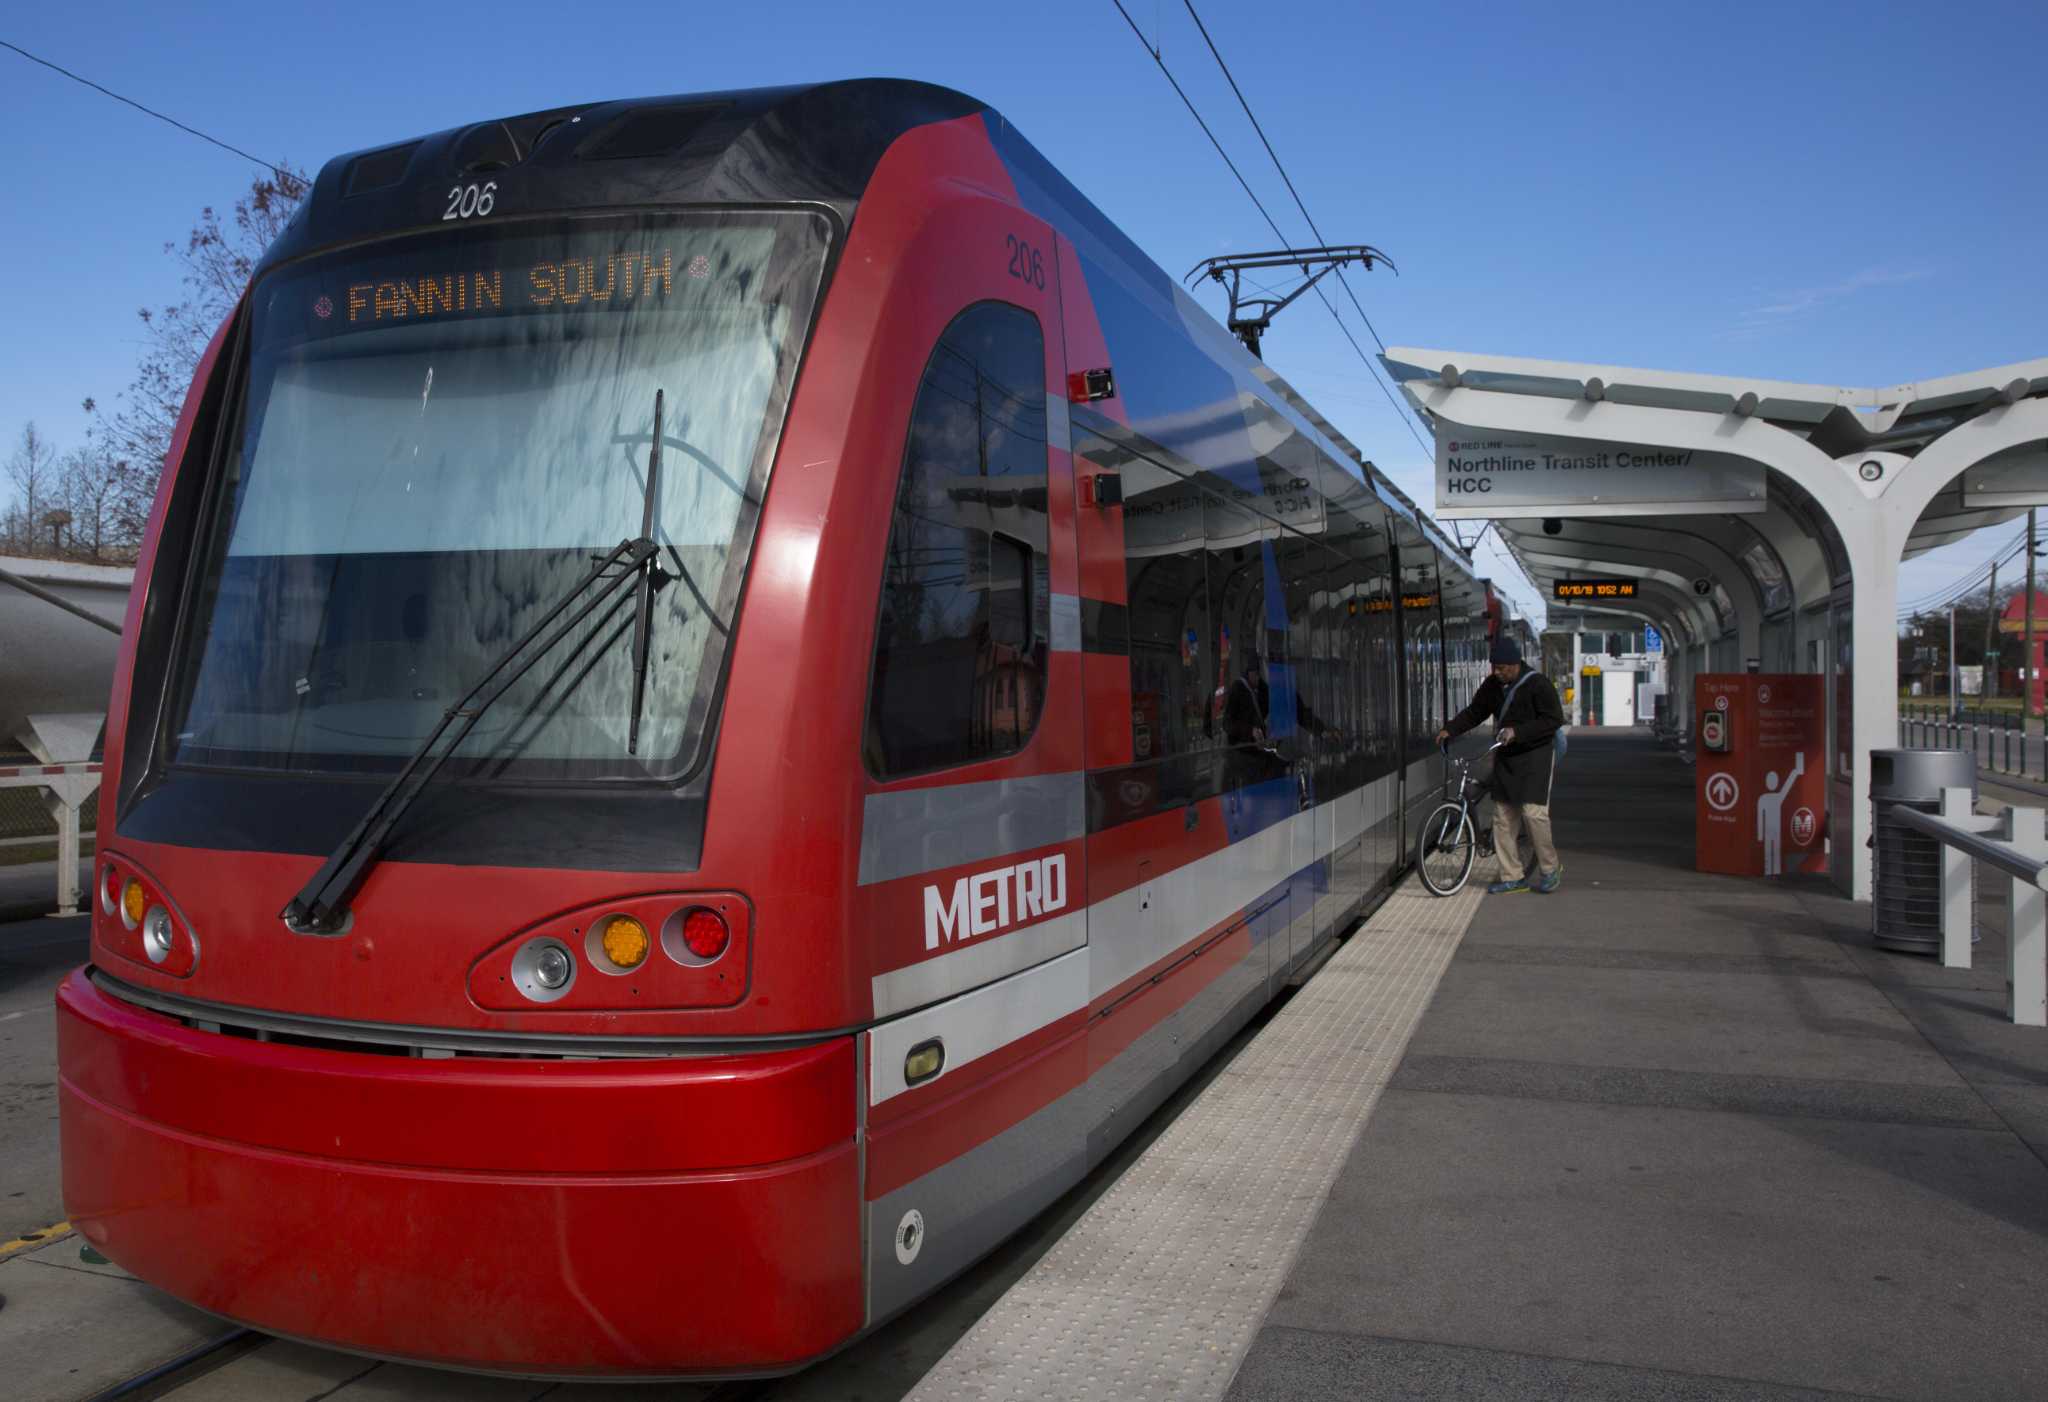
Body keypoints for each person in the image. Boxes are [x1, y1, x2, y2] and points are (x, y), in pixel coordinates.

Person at [1437, 636, 1566, 894]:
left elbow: (1553, 720)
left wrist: (1518, 732)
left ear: (1516, 664)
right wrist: (1449, 730)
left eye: (1503, 668)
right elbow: (1476, 711)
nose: (1498, 672)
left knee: (1533, 813)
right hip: (1507, 757)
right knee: (1503, 817)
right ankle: (1512, 876)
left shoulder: (1538, 685)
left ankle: (1550, 868)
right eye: (1495, 667)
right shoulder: (1492, 685)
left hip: (1536, 755)